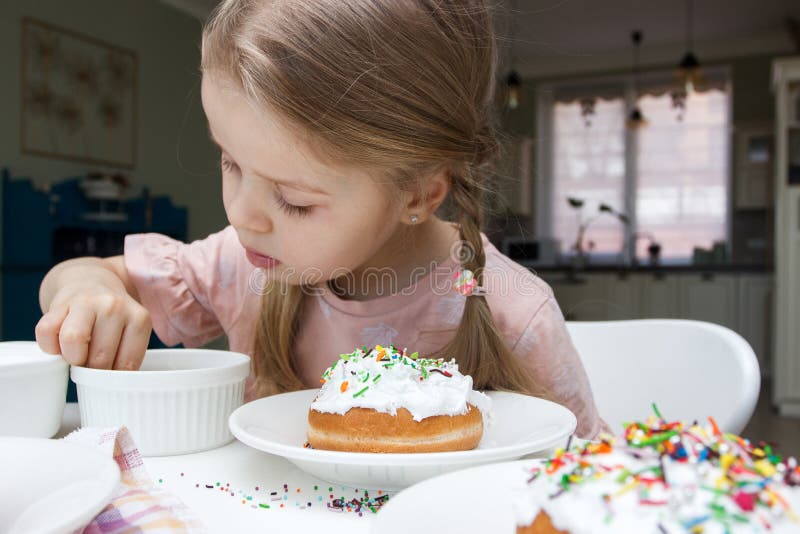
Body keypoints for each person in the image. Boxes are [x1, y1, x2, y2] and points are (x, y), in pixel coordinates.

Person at [37, 0, 604, 437]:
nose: (241, 214)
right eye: (230, 162)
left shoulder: (512, 312)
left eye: (295, 200)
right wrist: (86, 290)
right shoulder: (242, 265)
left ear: (419, 194)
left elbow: (587, 476)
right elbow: (92, 273)